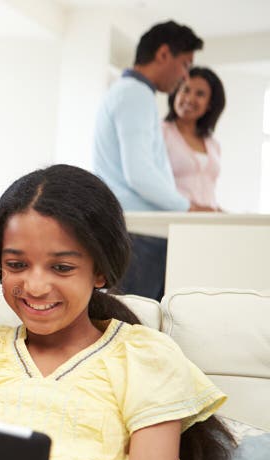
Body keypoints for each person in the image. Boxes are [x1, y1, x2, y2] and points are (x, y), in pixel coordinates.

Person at [0, 165, 233, 460]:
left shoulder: (143, 357)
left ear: (99, 272)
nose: (36, 286)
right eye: (17, 265)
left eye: (61, 266)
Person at [92, 20, 214, 301]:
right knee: (135, 324)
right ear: (162, 54)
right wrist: (189, 207)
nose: (185, 76)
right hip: (140, 233)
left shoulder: (129, 92)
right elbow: (140, 173)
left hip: (136, 230)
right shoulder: (135, 95)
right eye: (184, 64)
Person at [163, 66, 226, 210]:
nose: (190, 99)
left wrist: (217, 211)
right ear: (175, 92)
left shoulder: (213, 144)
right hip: (175, 219)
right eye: (185, 90)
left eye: (200, 94)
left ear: (210, 104)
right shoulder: (160, 133)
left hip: (206, 222)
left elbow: (208, 187)